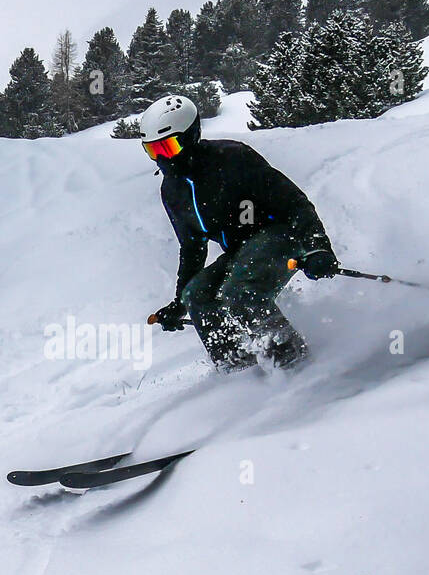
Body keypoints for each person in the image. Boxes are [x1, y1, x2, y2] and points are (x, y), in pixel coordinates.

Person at [141, 94, 339, 370]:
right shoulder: (173, 191)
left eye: (168, 147)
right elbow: (192, 247)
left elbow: (293, 202)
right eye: (153, 151)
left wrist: (318, 247)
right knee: (196, 295)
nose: (162, 159)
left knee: (240, 290)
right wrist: (179, 303)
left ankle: (295, 363)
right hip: (240, 252)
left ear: (189, 136)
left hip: (280, 234)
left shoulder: (232, 158)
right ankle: (238, 369)